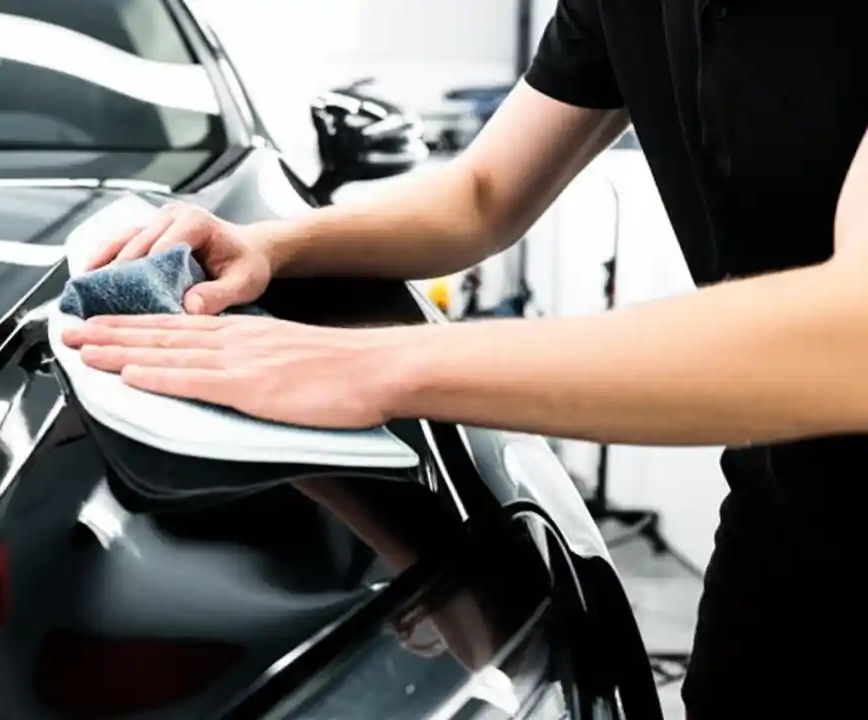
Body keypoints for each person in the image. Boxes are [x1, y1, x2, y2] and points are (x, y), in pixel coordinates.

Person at [62, 2, 868, 715]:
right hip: (784, 525)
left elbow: (852, 336)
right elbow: (482, 191)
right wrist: (275, 246)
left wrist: (368, 367)